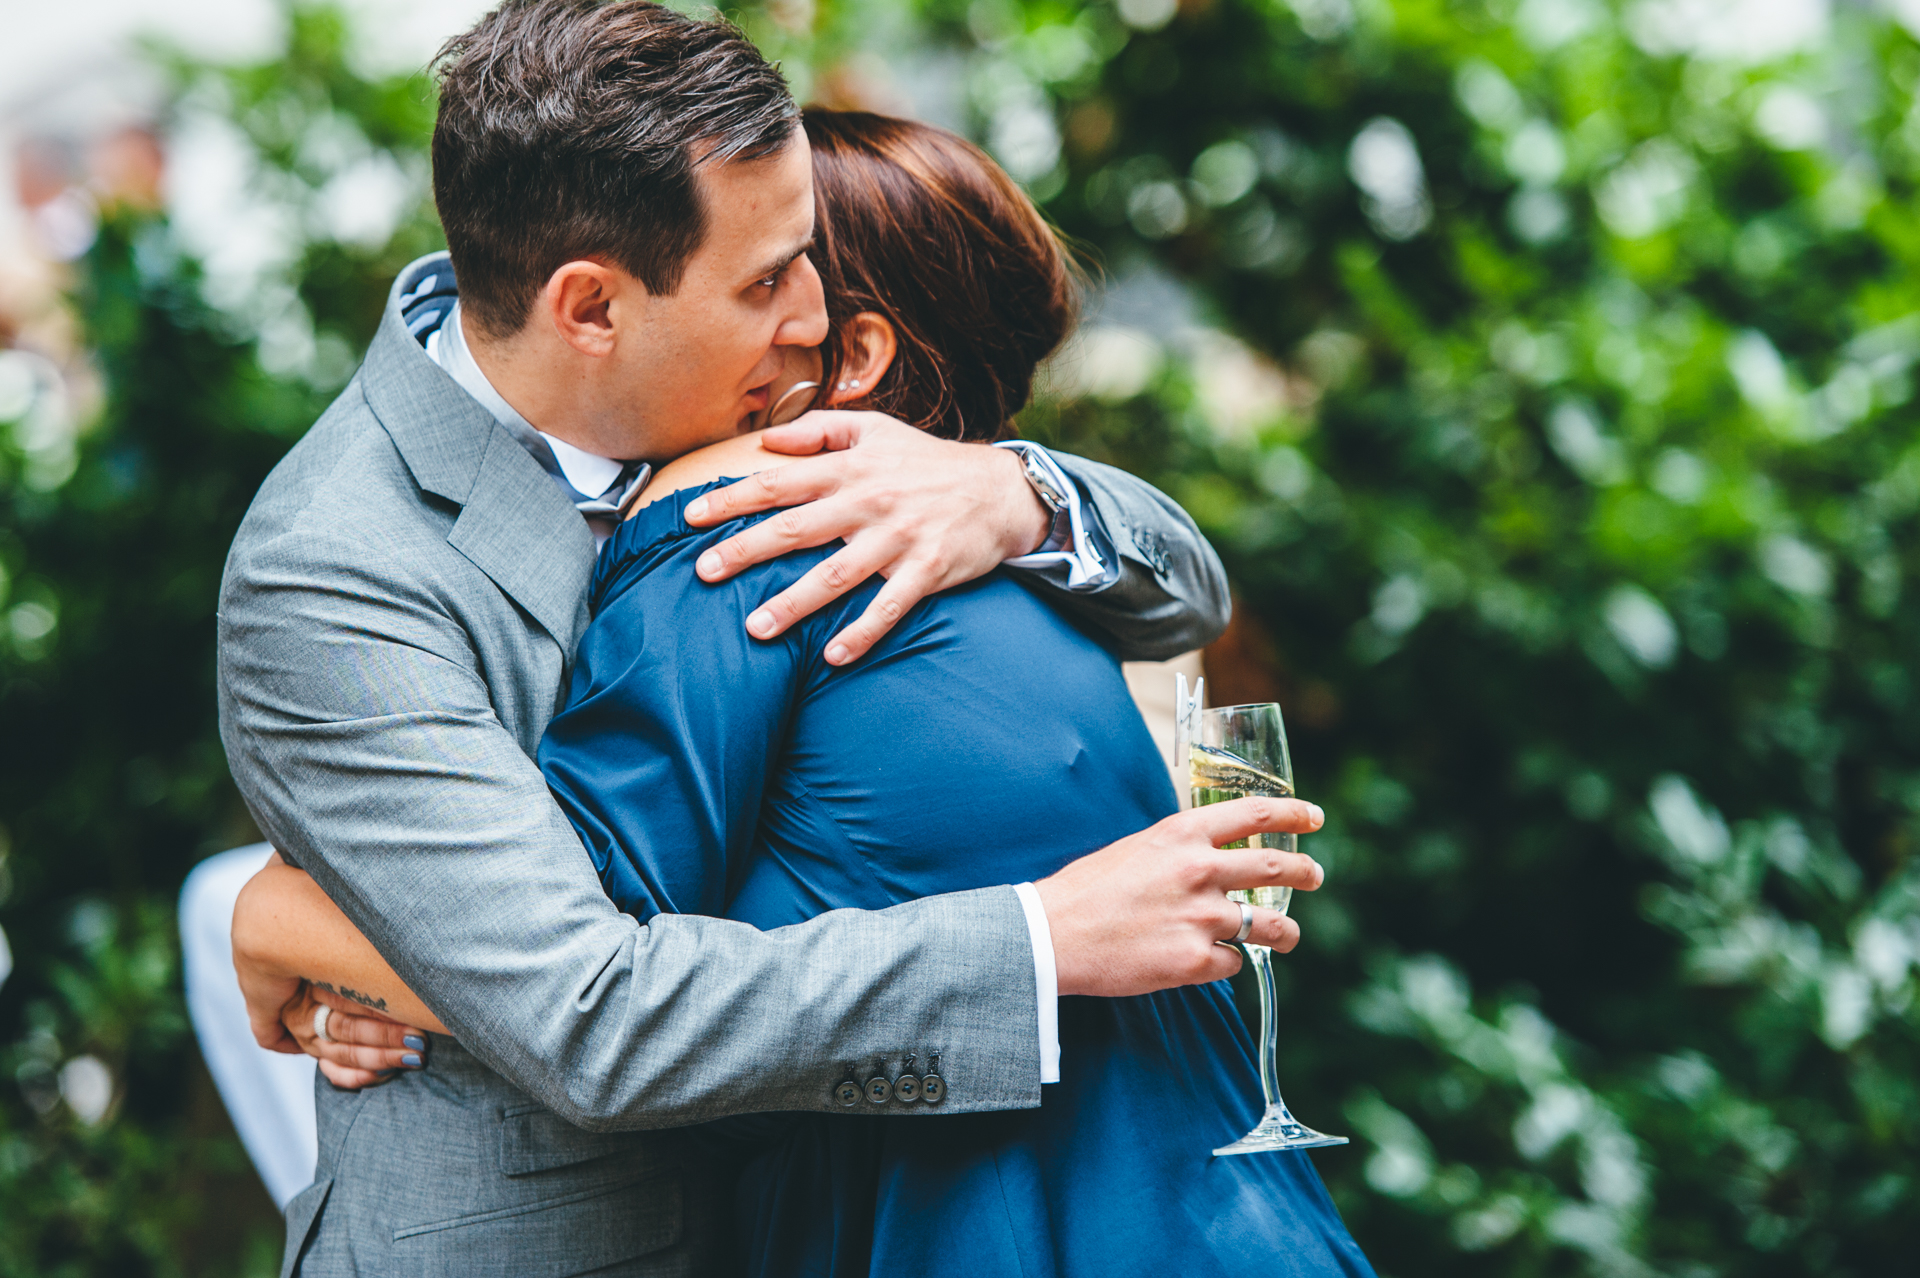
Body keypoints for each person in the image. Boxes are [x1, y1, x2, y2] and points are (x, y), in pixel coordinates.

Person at [217, 4, 1323, 1273]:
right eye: (764, 280)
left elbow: (1183, 587)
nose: (814, 315)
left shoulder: (822, 466)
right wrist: (1041, 941)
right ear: (589, 310)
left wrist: (1011, 492)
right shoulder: (333, 575)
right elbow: (582, 1010)